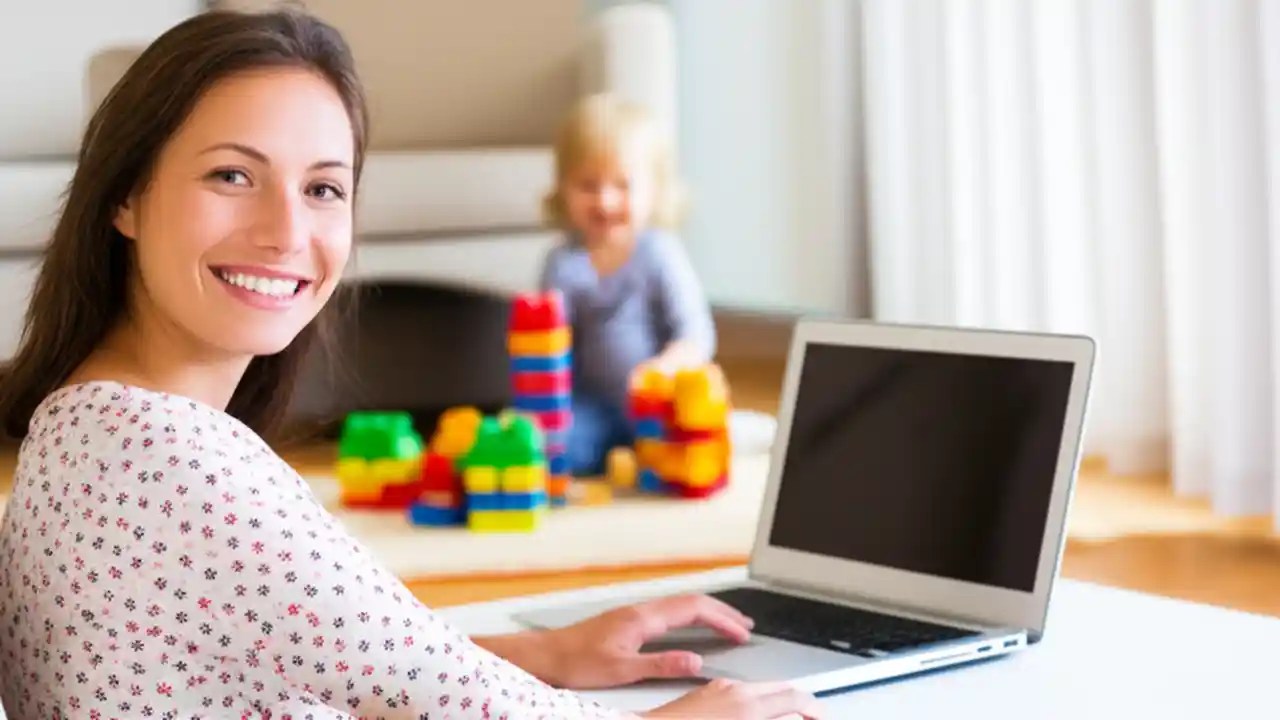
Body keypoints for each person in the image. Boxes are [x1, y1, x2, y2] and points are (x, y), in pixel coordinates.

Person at [0, 9, 821, 720]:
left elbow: (342, 647)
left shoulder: (80, 422)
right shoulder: (175, 463)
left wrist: (553, 652)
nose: (288, 231)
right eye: (233, 175)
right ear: (126, 196)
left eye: (323, 188)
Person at [540, 94, 718, 477]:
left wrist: (665, 368)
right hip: (592, 406)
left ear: (654, 191)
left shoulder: (659, 253)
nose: (605, 201)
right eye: (588, 185)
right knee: (553, 450)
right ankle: (610, 448)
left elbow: (696, 333)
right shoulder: (562, 264)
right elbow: (548, 350)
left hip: (656, 403)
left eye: (623, 185)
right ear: (563, 189)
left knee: (690, 448)